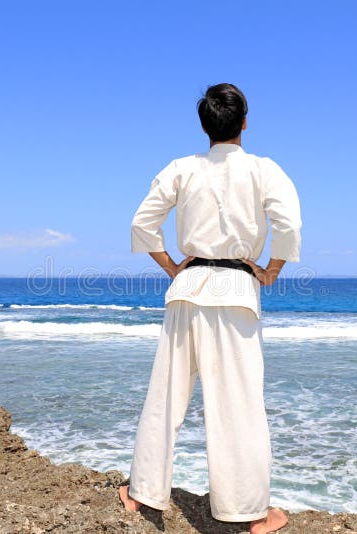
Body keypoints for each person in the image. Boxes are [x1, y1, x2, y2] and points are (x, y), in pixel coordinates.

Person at [119, 83, 302, 534]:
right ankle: (249, 513)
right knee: (239, 403)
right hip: (237, 288)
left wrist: (171, 266)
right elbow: (289, 223)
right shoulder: (264, 169)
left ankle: (143, 493)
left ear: (204, 126)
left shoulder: (182, 168)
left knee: (166, 394)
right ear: (244, 122)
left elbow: (142, 222)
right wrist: (272, 269)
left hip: (188, 286)